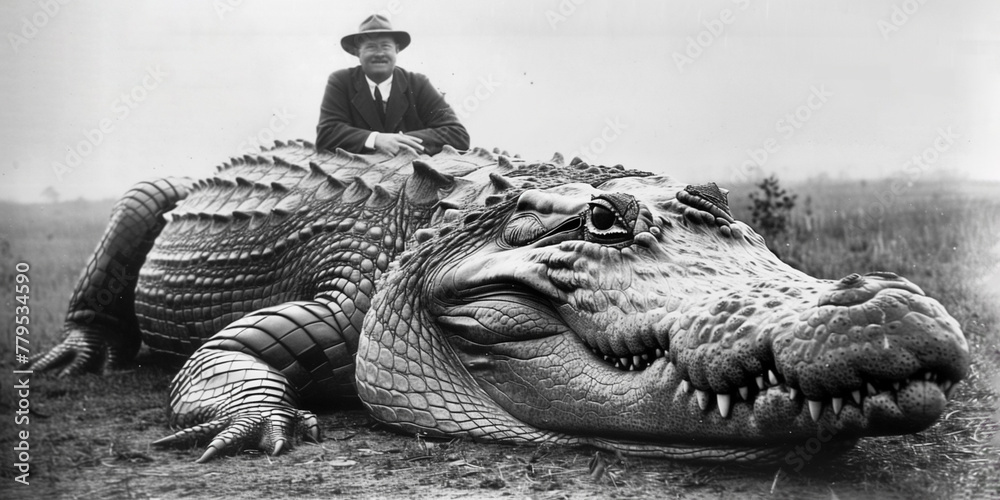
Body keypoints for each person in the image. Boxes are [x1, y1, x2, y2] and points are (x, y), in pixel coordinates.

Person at [316, 14, 469, 156]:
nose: (380, 53)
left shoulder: (418, 83)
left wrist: (399, 141)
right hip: (355, 176)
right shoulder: (341, 81)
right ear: (357, 53)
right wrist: (375, 139)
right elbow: (327, 134)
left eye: (386, 46)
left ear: (396, 50)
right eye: (371, 47)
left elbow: (457, 134)